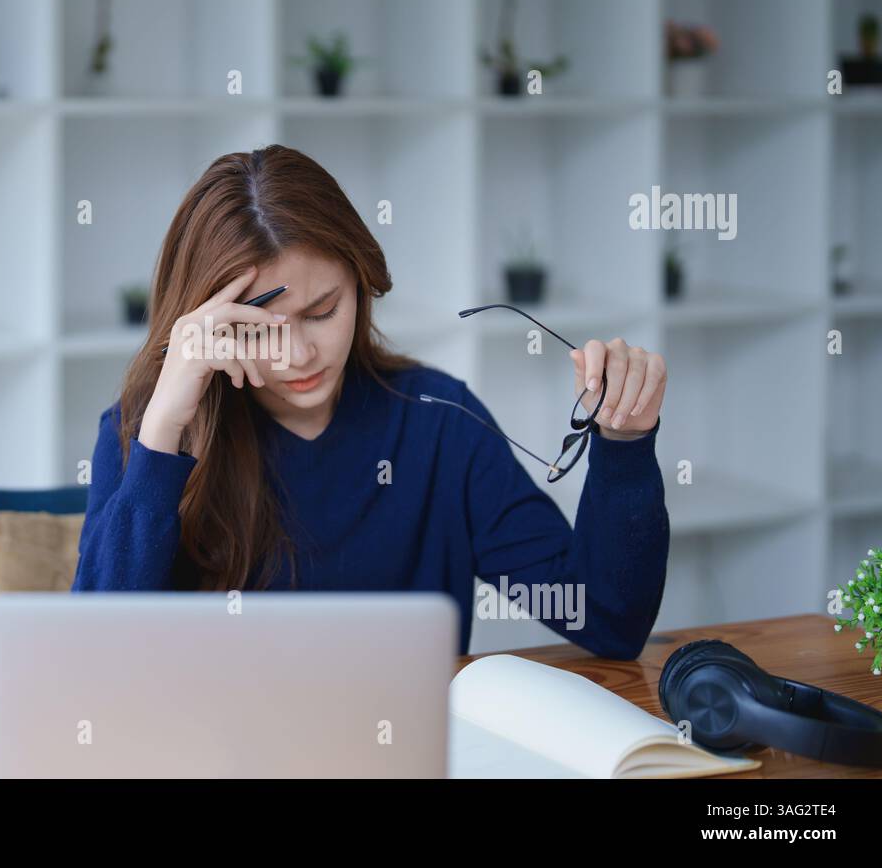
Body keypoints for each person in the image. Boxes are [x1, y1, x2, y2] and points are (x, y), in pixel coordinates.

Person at [72, 144, 669, 658]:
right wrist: (162, 435)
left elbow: (607, 621)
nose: (298, 356)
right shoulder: (145, 433)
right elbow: (94, 666)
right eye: (261, 329)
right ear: (207, 327)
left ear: (362, 282)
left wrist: (625, 445)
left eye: (322, 311)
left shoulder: (440, 424)